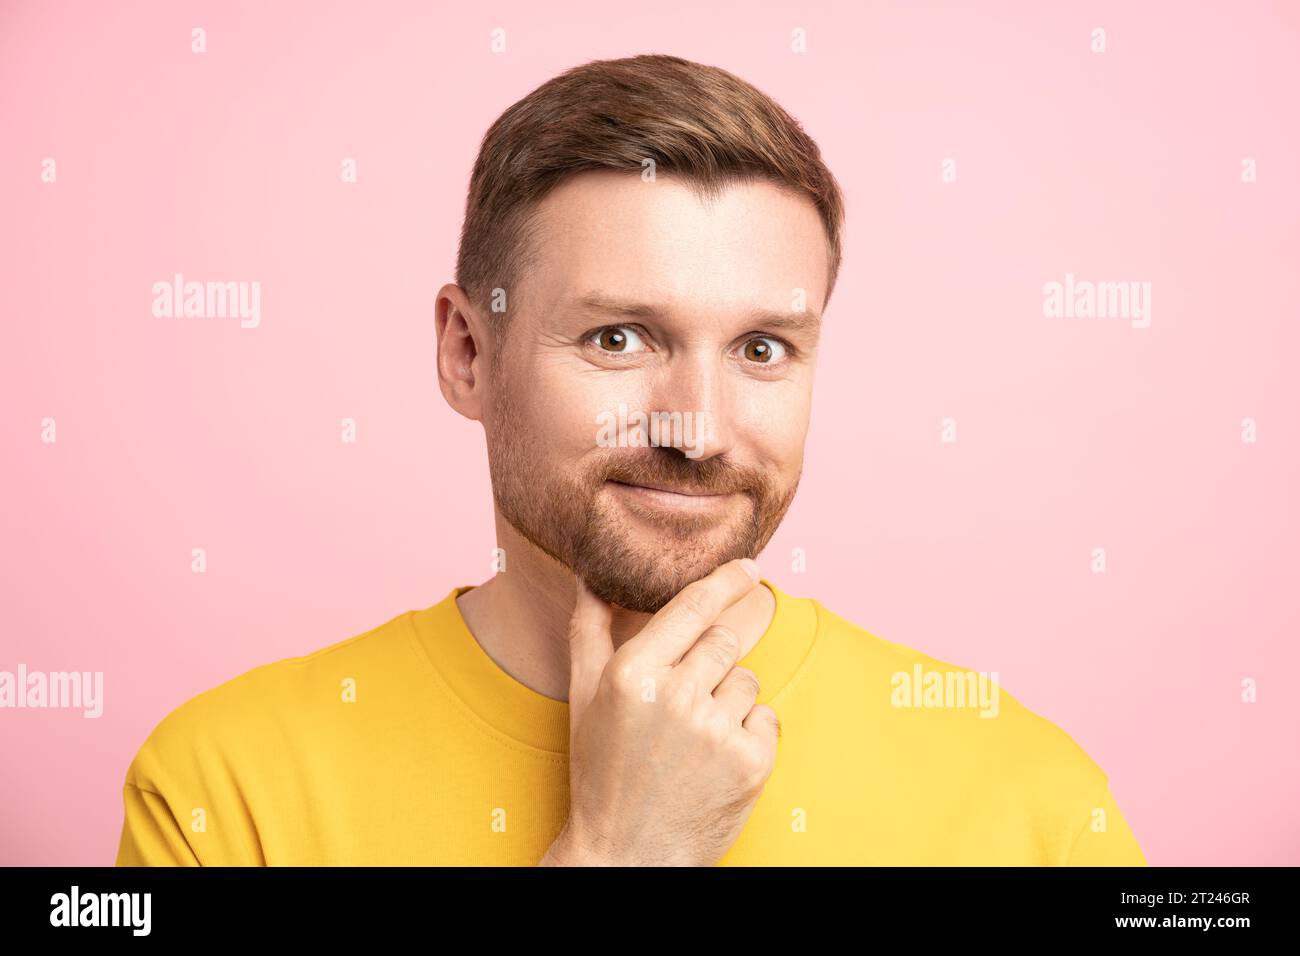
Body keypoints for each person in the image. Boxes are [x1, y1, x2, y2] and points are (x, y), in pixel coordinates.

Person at [116, 53, 1145, 866]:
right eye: (618, 339)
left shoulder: (1030, 798)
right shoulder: (220, 793)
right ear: (468, 353)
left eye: (760, 349)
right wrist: (622, 852)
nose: (695, 429)